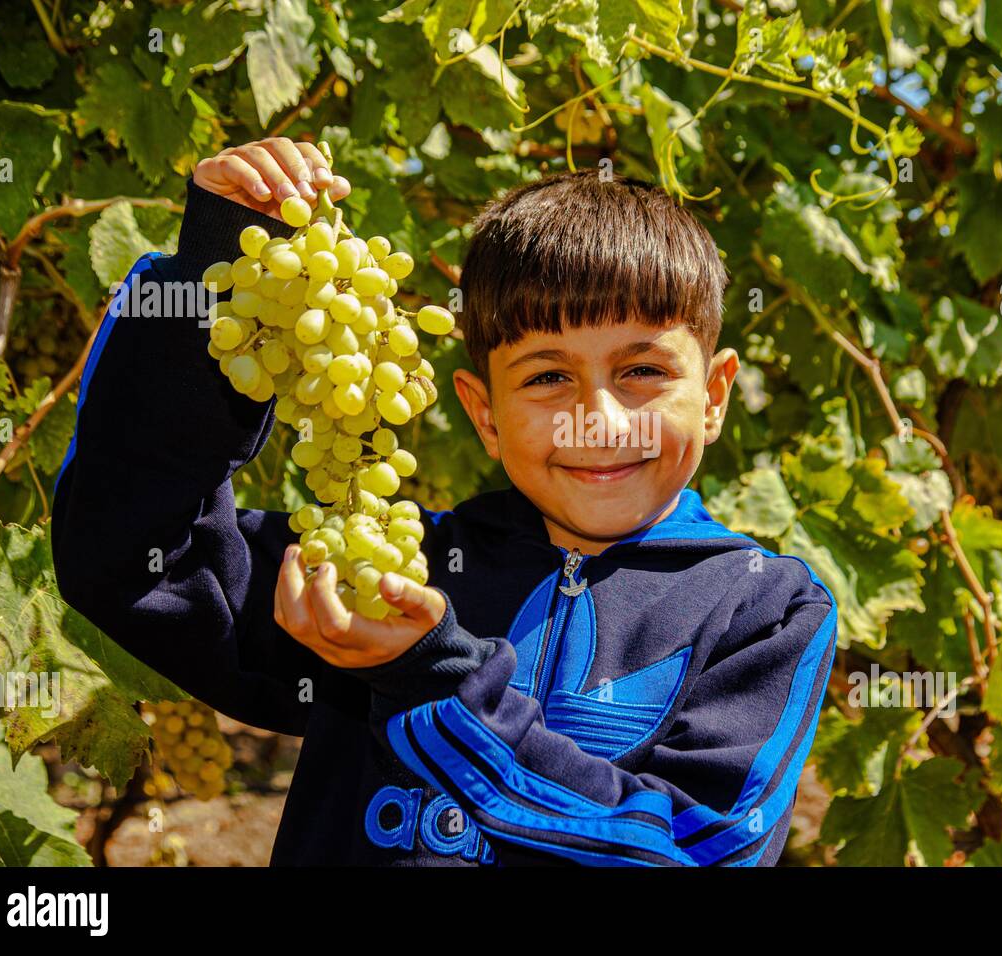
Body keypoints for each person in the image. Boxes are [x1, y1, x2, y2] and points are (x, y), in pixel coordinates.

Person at [51, 137, 838, 866]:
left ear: (715, 395)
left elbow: (699, 851)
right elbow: (131, 556)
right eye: (545, 376)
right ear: (484, 412)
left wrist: (432, 676)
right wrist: (213, 266)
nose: (595, 417)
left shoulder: (764, 609)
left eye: (644, 372)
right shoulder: (384, 574)